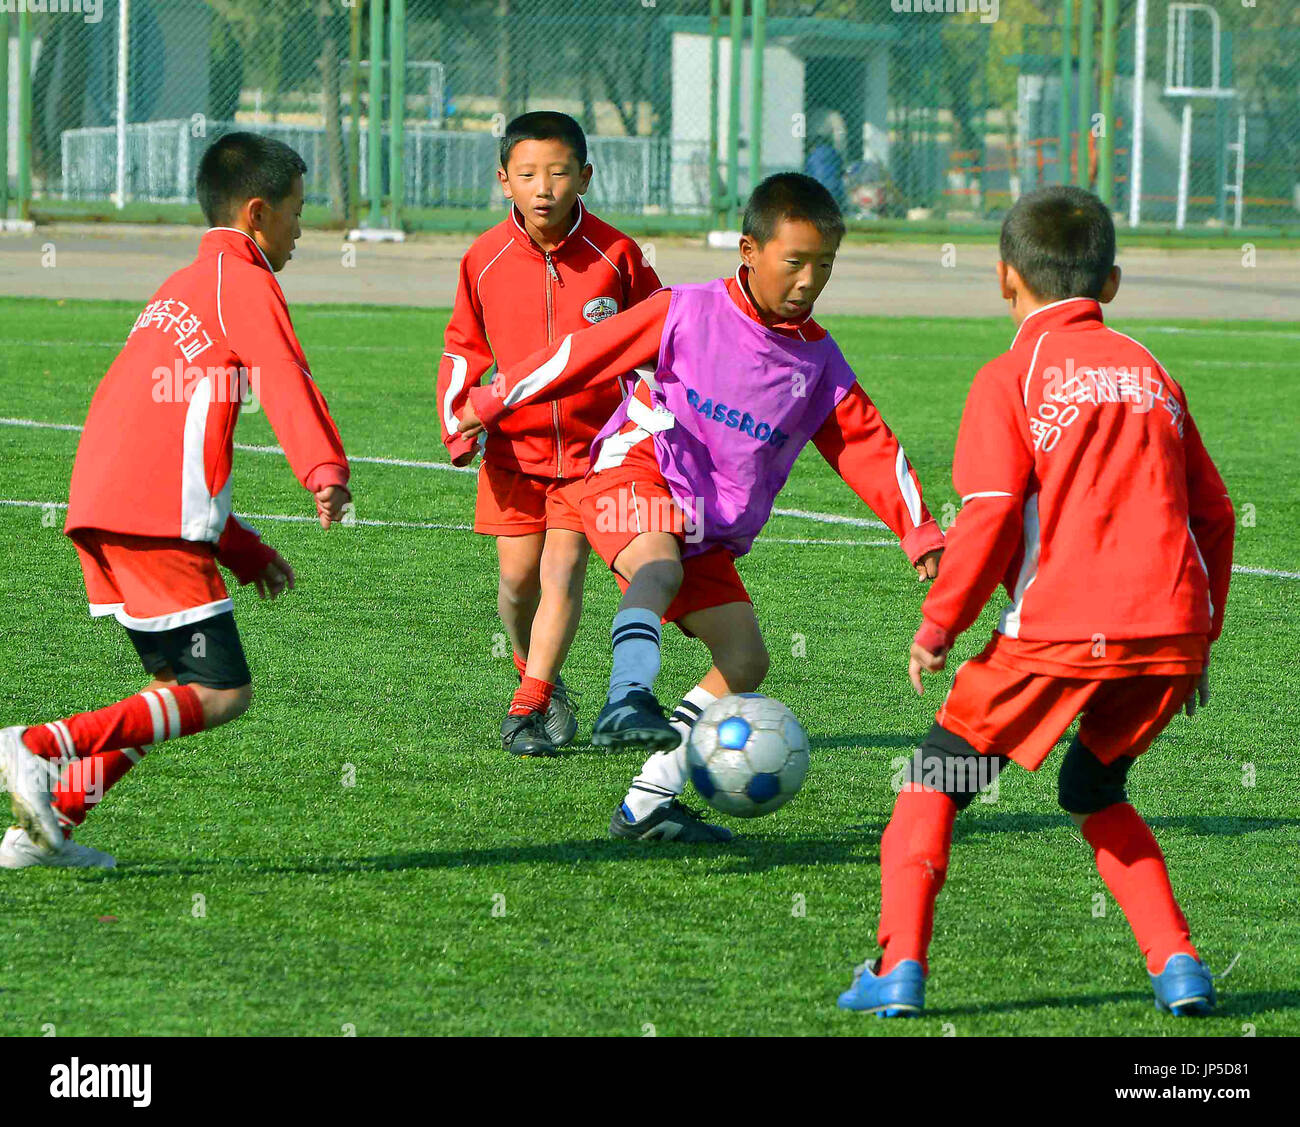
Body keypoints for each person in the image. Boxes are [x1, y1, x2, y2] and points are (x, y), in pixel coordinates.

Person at [837, 185, 1236, 1017]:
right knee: (1095, 789)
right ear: (1113, 283)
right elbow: (1216, 514)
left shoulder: (1011, 374)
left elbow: (985, 519)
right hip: (1171, 633)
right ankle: (1180, 964)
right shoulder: (1152, 371)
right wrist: (1204, 638)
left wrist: (939, 621)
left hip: (1059, 632)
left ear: (1004, 279)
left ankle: (898, 966)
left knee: (932, 785)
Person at [459, 172, 945, 842]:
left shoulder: (818, 361)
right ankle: (627, 696)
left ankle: (647, 801)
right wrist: (494, 397)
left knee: (745, 659)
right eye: (794, 262)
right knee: (657, 564)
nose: (808, 281)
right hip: (637, 470)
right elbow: (584, 355)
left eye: (824, 265)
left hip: (705, 526)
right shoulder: (686, 309)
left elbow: (866, 444)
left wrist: (916, 528)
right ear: (750, 250)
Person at [0, 132, 351, 869]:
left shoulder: (180, 286)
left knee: (172, 686)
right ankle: (36, 745)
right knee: (222, 690)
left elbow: (162, 437)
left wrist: (242, 548)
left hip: (107, 501)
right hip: (152, 513)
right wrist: (323, 466)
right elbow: (285, 376)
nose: (300, 229)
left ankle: (44, 830)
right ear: (257, 213)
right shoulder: (245, 281)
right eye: (297, 210)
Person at [436, 111, 661, 757]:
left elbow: (656, 337)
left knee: (562, 572)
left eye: (559, 172)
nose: (544, 187)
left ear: (585, 176)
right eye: (528, 173)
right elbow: (461, 348)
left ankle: (526, 709)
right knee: (517, 586)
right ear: (503, 179)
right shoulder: (482, 258)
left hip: (594, 457)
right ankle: (534, 668)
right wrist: (458, 421)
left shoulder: (618, 255)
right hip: (513, 454)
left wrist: (653, 421)